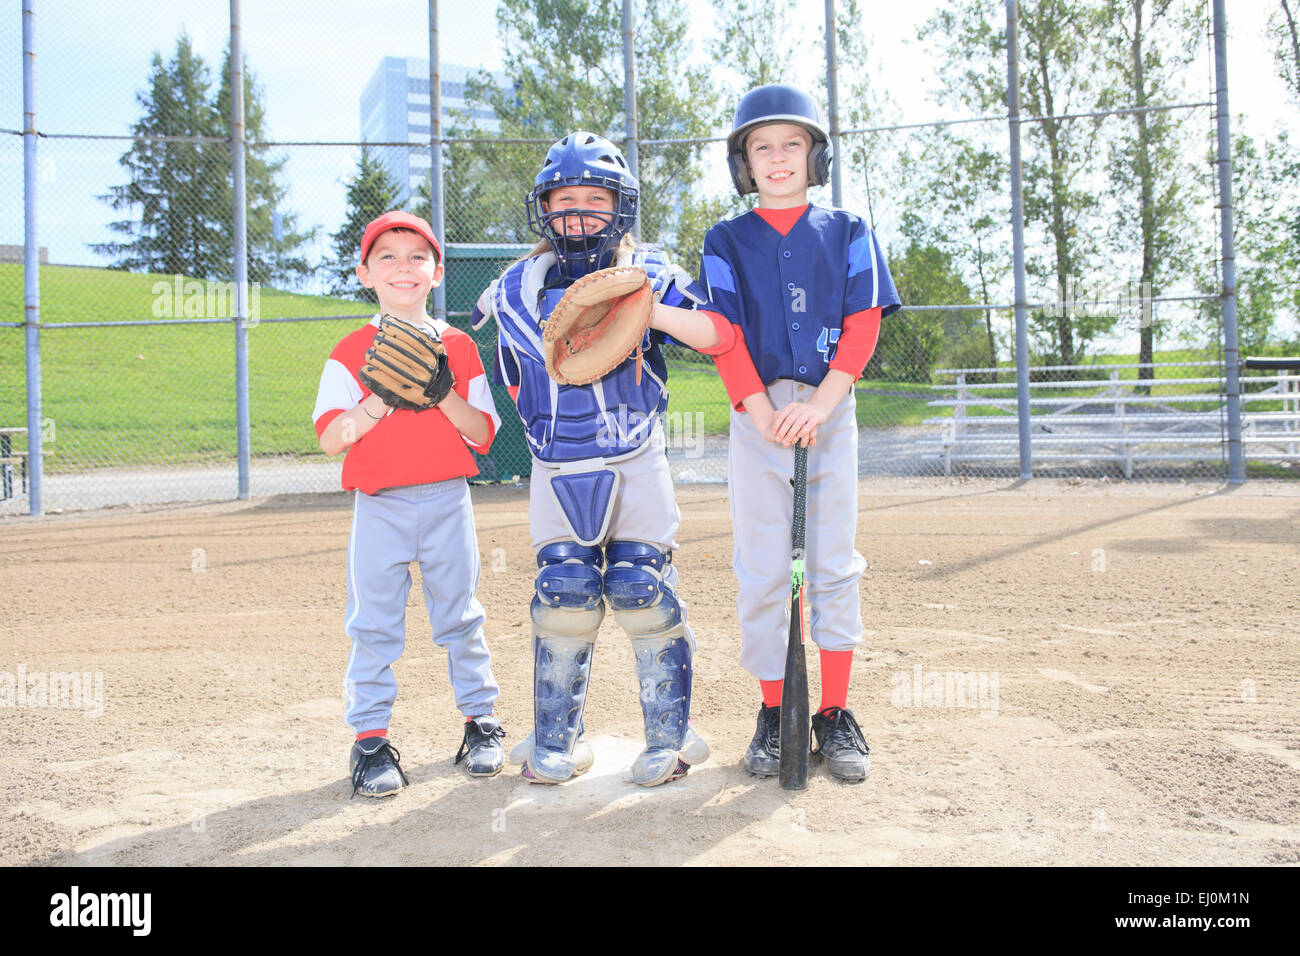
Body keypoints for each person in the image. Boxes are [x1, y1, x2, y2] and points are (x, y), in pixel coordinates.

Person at [471, 132, 734, 786]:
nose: (580, 210)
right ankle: (558, 739)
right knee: (563, 592)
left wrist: (649, 305)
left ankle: (672, 737)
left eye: (596, 197)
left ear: (620, 207)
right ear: (542, 207)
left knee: (640, 588)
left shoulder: (649, 270)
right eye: (566, 197)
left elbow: (719, 334)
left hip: (635, 457)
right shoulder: (513, 293)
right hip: (556, 464)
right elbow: (513, 383)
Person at [700, 85, 901, 783]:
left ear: (816, 155)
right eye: (762, 146)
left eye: (792, 144)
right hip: (755, 413)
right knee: (762, 568)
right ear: (743, 163)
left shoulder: (847, 230)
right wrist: (760, 412)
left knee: (832, 562)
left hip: (829, 407)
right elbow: (724, 334)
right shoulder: (725, 239)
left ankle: (834, 712)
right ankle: (775, 709)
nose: (778, 157)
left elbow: (864, 323)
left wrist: (821, 403)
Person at [313, 210, 507, 797]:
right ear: (365, 273)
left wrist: (441, 390)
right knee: (373, 624)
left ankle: (480, 722)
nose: (403, 266)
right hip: (379, 506)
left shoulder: (459, 346)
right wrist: (379, 401)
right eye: (387, 257)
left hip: (448, 500)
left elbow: (482, 433)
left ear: (436, 271)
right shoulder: (350, 351)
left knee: (461, 616)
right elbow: (330, 438)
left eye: (416, 256)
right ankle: (370, 740)